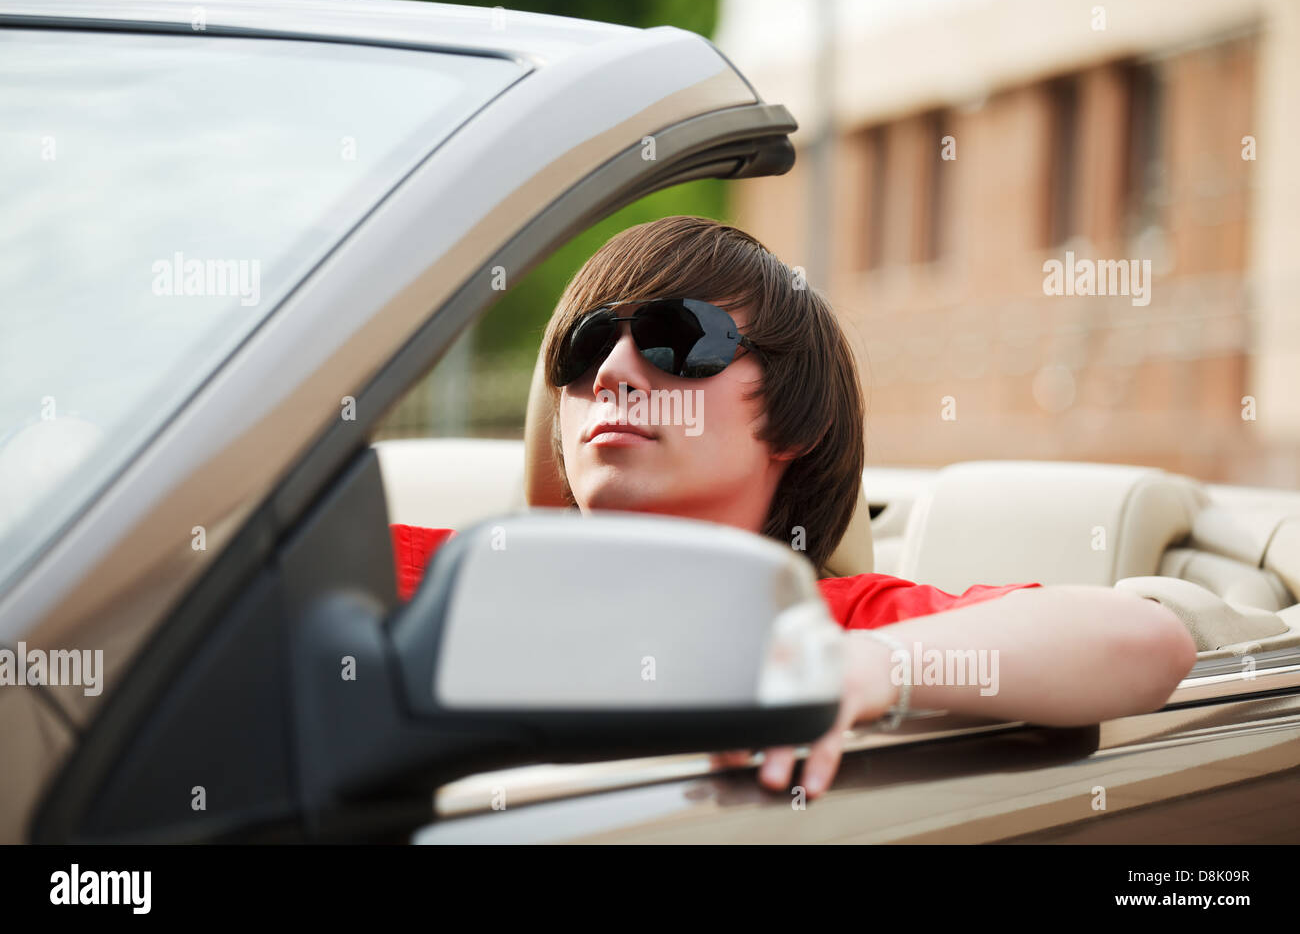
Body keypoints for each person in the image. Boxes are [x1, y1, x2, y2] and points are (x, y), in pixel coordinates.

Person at [391, 215, 1197, 799]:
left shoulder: (829, 623)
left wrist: (859, 669)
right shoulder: (435, 578)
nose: (611, 372)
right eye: (583, 346)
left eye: (678, 339)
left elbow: (1145, 641)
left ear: (794, 419)